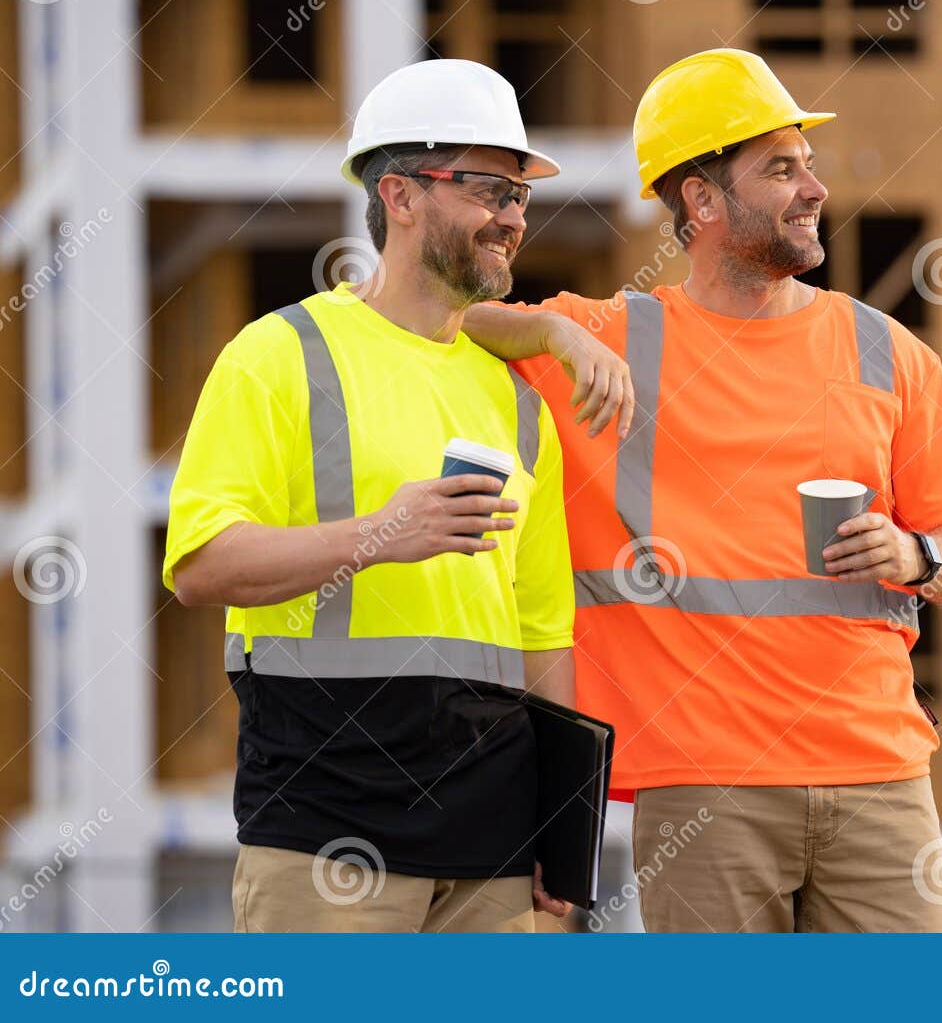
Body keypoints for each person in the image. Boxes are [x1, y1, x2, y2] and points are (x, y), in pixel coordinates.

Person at [464, 48, 942, 932]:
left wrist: (919, 552)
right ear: (702, 201)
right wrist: (554, 340)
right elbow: (444, 322)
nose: (813, 188)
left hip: (880, 775)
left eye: (809, 165)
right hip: (701, 789)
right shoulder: (611, 338)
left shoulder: (887, 350)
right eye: (781, 169)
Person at [163, 58, 626, 932]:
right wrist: (379, 532)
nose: (515, 216)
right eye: (491, 188)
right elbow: (199, 565)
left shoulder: (516, 399)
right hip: (323, 837)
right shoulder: (280, 355)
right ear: (402, 195)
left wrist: (563, 832)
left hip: (491, 854)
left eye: (522, 195)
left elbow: (541, 638)